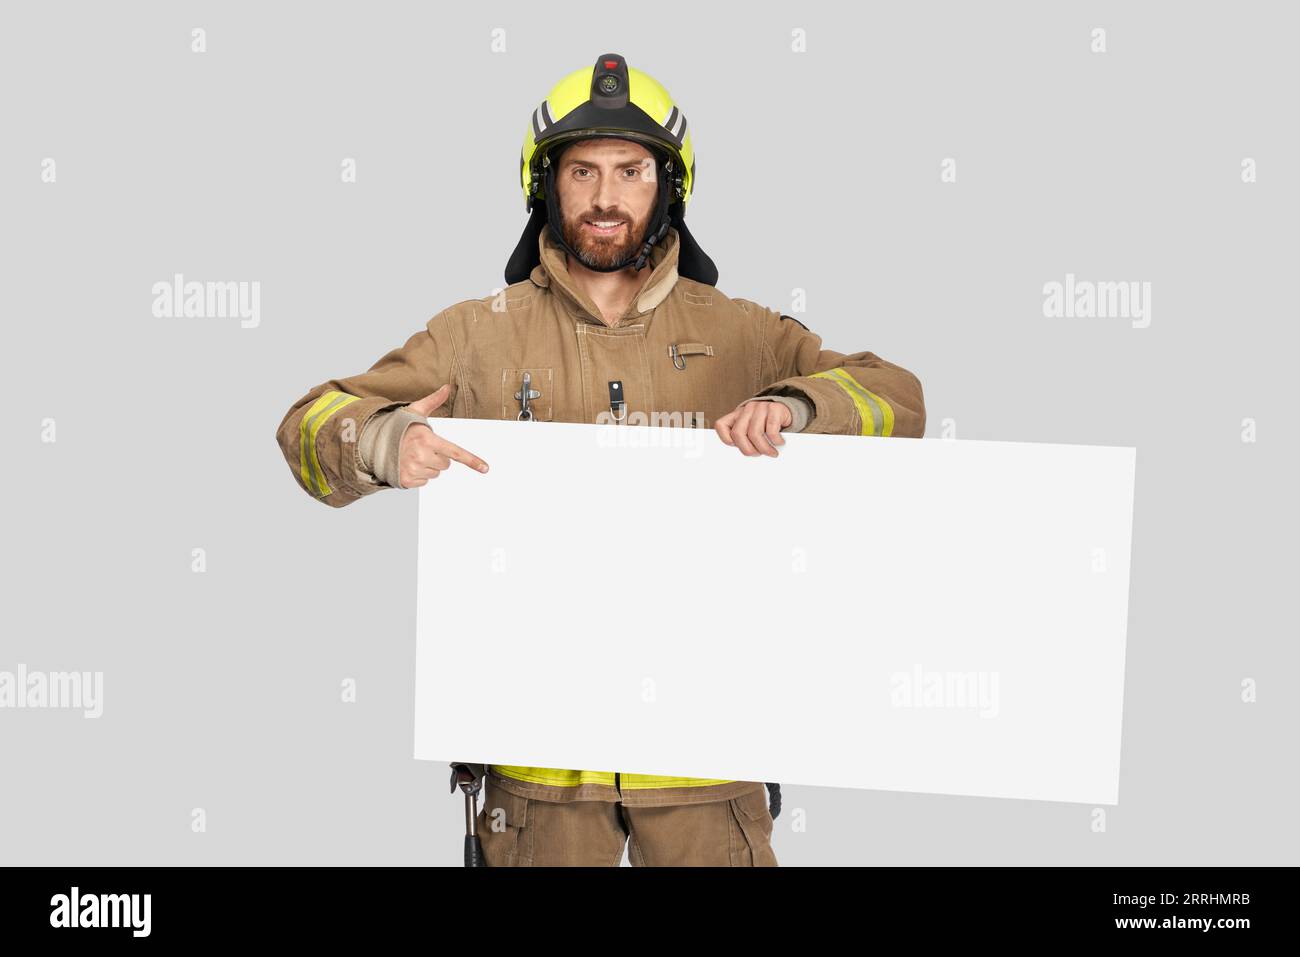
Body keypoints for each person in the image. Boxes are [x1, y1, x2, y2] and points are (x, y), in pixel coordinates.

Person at [274, 53, 926, 866]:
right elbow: (309, 421)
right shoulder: (478, 333)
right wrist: (383, 440)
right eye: (581, 171)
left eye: (631, 170)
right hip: (535, 776)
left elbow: (897, 398)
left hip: (707, 764)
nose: (606, 196)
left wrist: (794, 406)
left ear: (669, 187)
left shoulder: (745, 333)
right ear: (546, 185)